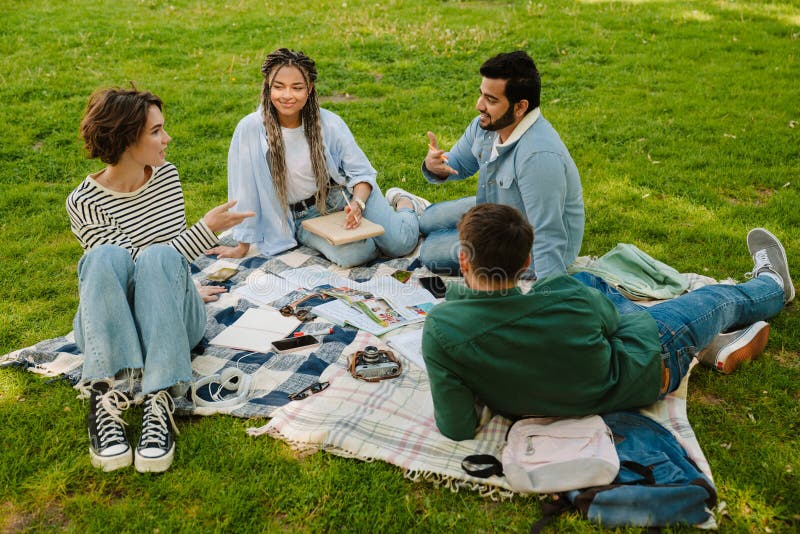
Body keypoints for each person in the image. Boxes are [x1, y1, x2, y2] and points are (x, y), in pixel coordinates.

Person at [421, 204, 793, 441]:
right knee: (712, 299)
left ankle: (712, 344)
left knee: (587, 283)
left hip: (603, 362)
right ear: (526, 262)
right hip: (651, 361)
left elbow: (457, 427)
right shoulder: (566, 298)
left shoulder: (440, 330)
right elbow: (615, 323)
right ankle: (774, 286)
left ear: (464, 261)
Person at [67, 87, 254, 472]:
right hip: (114, 320)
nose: (166, 139)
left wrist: (183, 289)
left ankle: (160, 396)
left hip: (172, 322)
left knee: (156, 256)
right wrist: (207, 230)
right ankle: (103, 394)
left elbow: (166, 261)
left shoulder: (166, 176)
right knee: (102, 258)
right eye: (156, 132)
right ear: (126, 138)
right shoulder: (84, 201)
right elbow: (130, 271)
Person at [208, 48, 427, 267]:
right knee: (358, 254)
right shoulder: (250, 130)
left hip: (344, 196)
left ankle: (404, 201)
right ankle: (375, 230)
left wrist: (358, 204)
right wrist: (242, 246)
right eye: (278, 86)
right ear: (267, 86)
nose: (287, 95)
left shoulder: (329, 123)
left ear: (310, 89)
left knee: (401, 244)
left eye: (297, 87)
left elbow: (361, 172)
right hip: (304, 216)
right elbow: (244, 189)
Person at [418, 51, 584, 279]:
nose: (479, 106)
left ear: (520, 107)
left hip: (523, 248)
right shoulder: (486, 126)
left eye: (491, 100)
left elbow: (547, 235)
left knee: (430, 251)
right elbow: (457, 165)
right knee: (428, 219)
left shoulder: (538, 157)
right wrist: (434, 166)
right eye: (482, 95)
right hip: (496, 211)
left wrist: (549, 296)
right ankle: (418, 215)